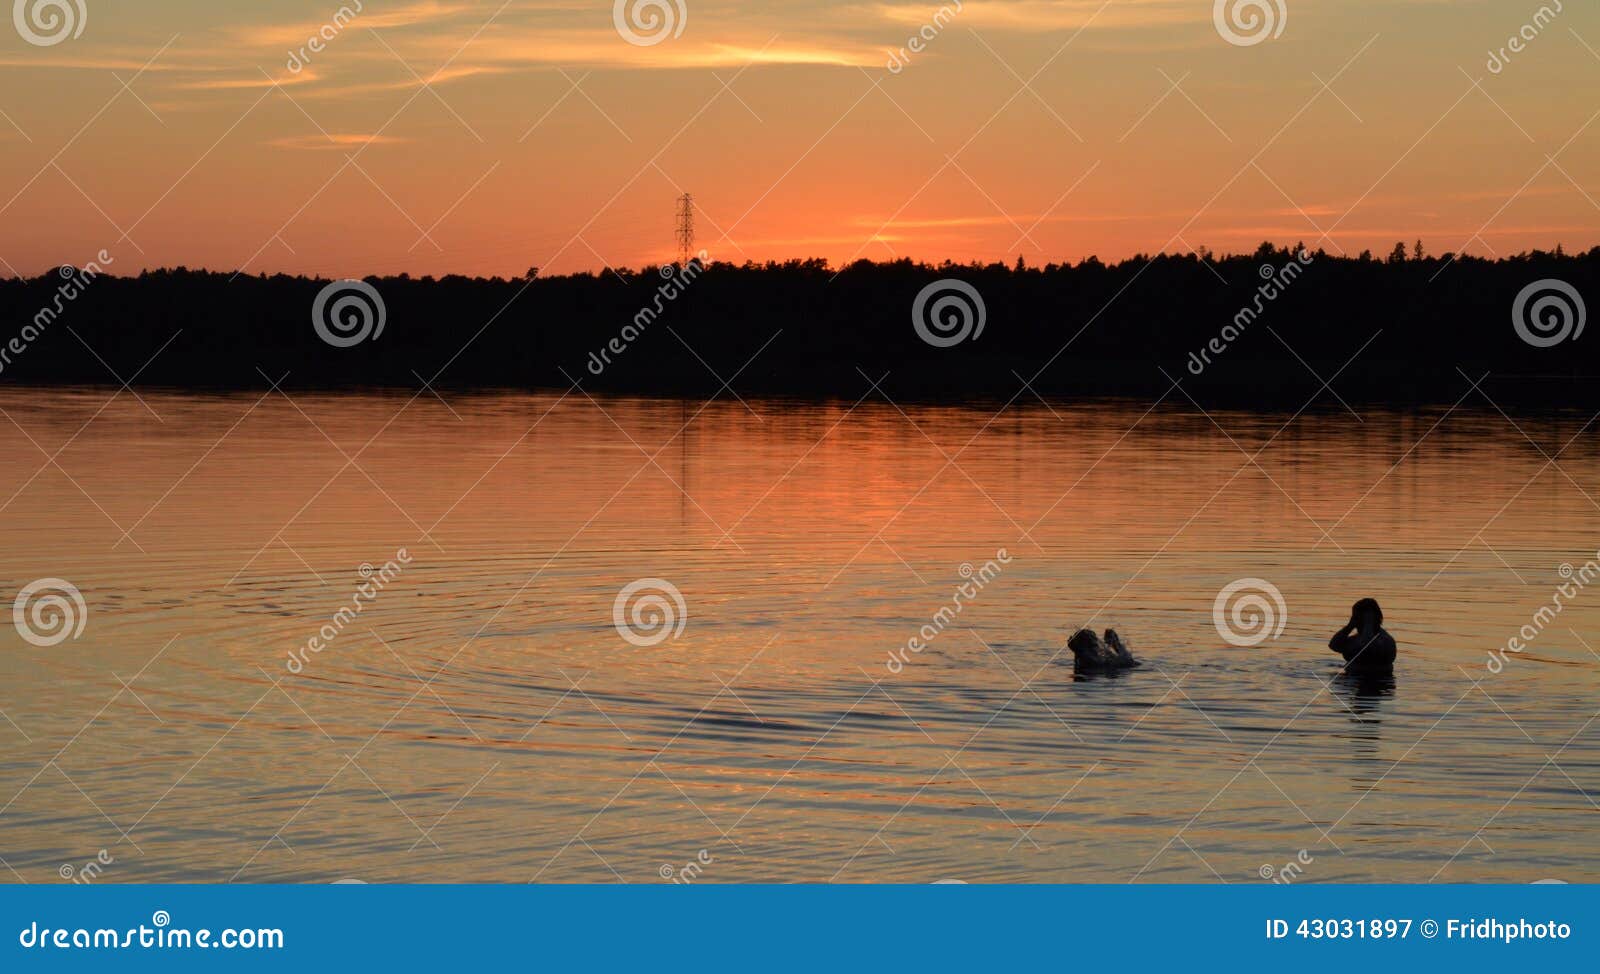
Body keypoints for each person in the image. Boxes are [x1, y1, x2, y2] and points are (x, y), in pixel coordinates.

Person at [1328, 598, 1397, 673]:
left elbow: (1367, 648)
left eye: (1357, 617)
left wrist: (1368, 623)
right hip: (1351, 680)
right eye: (1354, 617)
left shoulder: (1386, 641)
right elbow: (1333, 645)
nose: (1355, 621)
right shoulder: (1355, 640)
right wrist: (1349, 627)